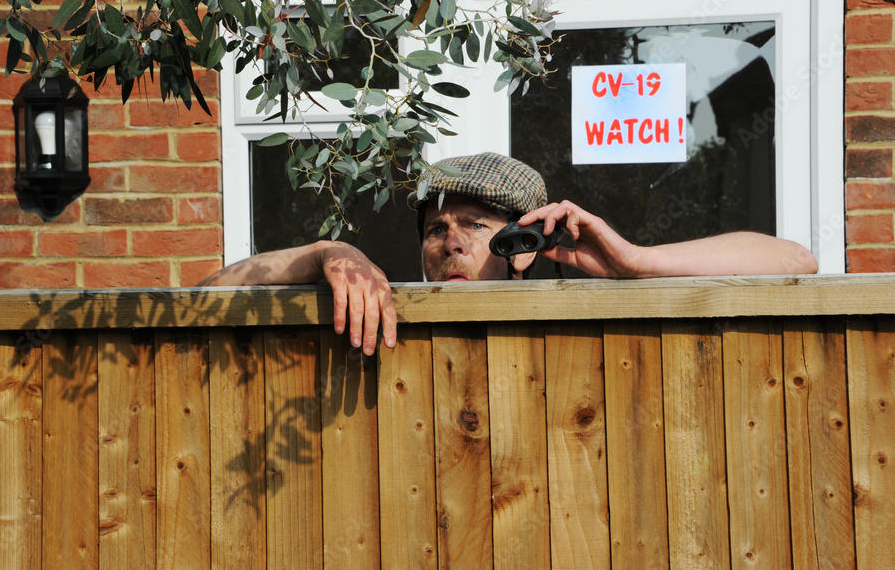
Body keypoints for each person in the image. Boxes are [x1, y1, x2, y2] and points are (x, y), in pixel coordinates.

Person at [201, 152, 818, 354]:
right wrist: (326, 252)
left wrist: (634, 262)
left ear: (523, 245)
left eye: (474, 225)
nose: (451, 242)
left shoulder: (574, 319)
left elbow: (795, 260)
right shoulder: (381, 308)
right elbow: (208, 296)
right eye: (437, 228)